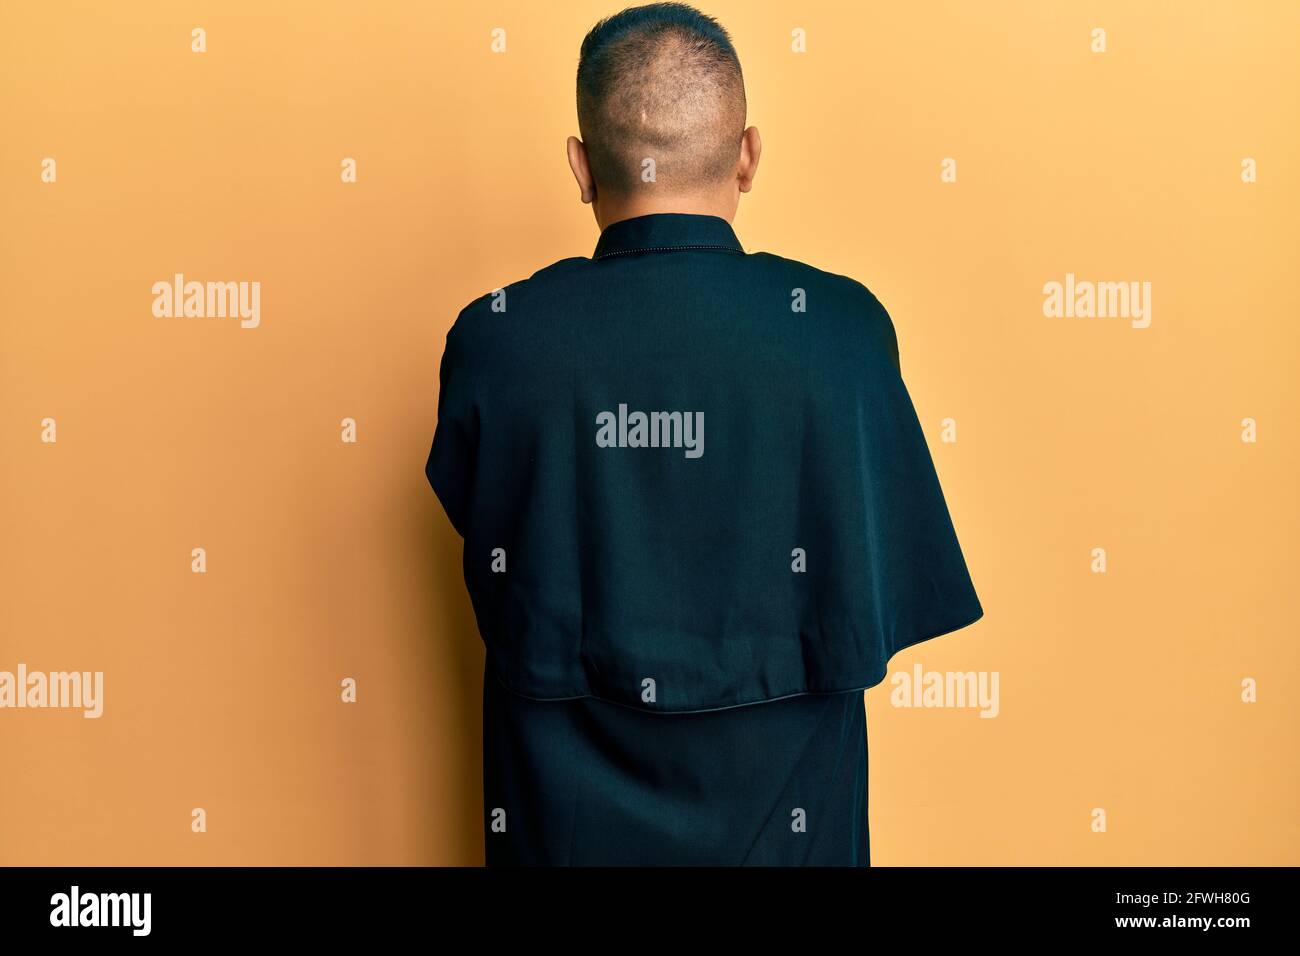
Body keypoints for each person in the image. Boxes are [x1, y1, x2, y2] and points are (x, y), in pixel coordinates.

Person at [425, 1, 984, 866]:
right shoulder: (841, 330)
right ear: (749, 154)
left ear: (581, 167)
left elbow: (482, 517)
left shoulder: (497, 340)